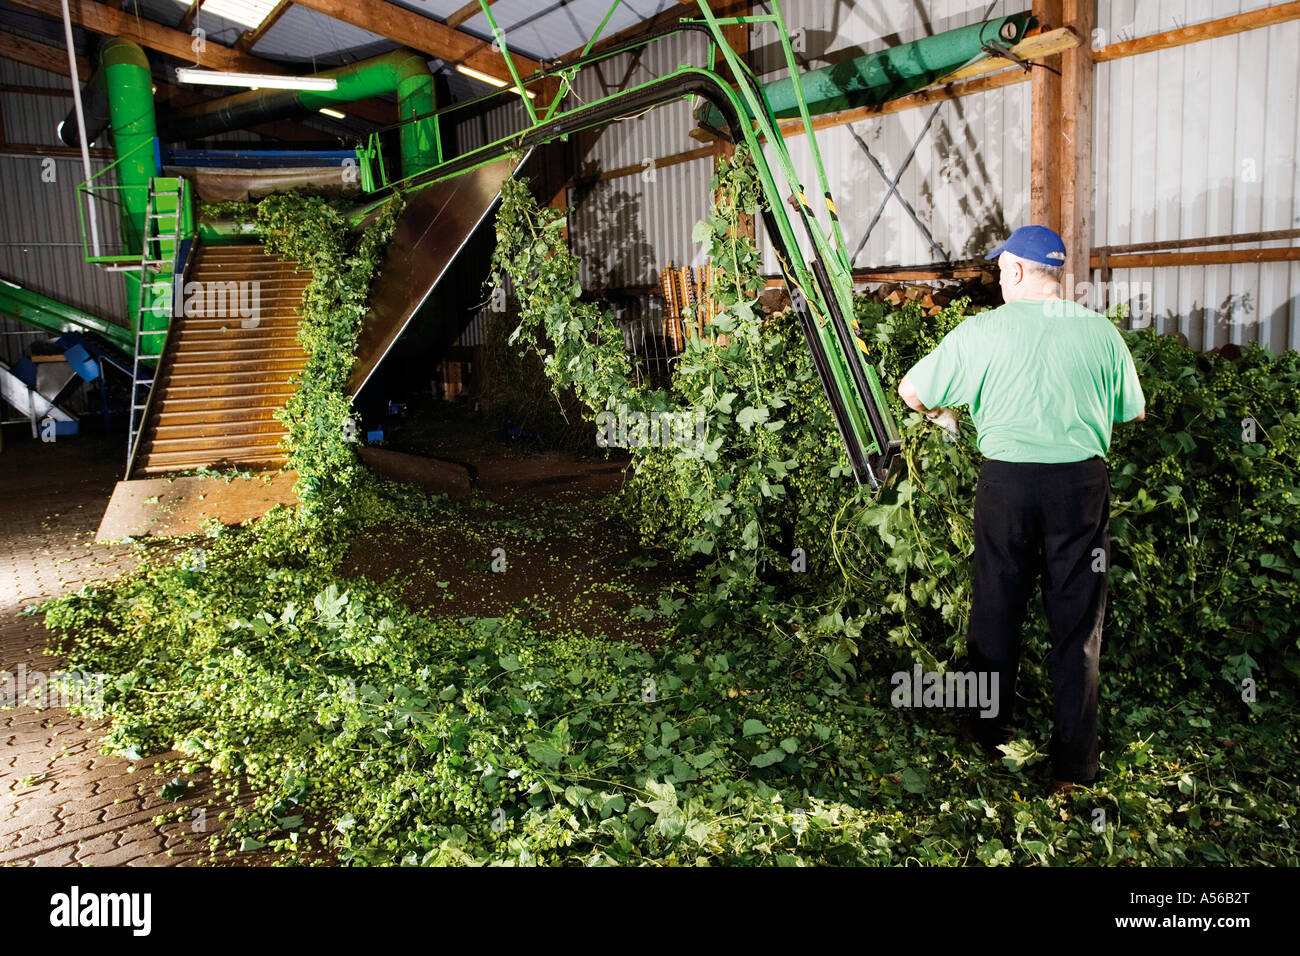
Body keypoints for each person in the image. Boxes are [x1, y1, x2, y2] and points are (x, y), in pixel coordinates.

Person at [896, 225, 1146, 795]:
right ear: (1054, 274)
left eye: (999, 270)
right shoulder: (1100, 330)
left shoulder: (981, 330)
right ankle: (1074, 767)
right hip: (1080, 487)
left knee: (997, 604)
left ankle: (988, 730)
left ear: (1012, 272)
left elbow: (913, 391)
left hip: (1006, 485)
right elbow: (1133, 412)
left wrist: (945, 416)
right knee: (1077, 623)